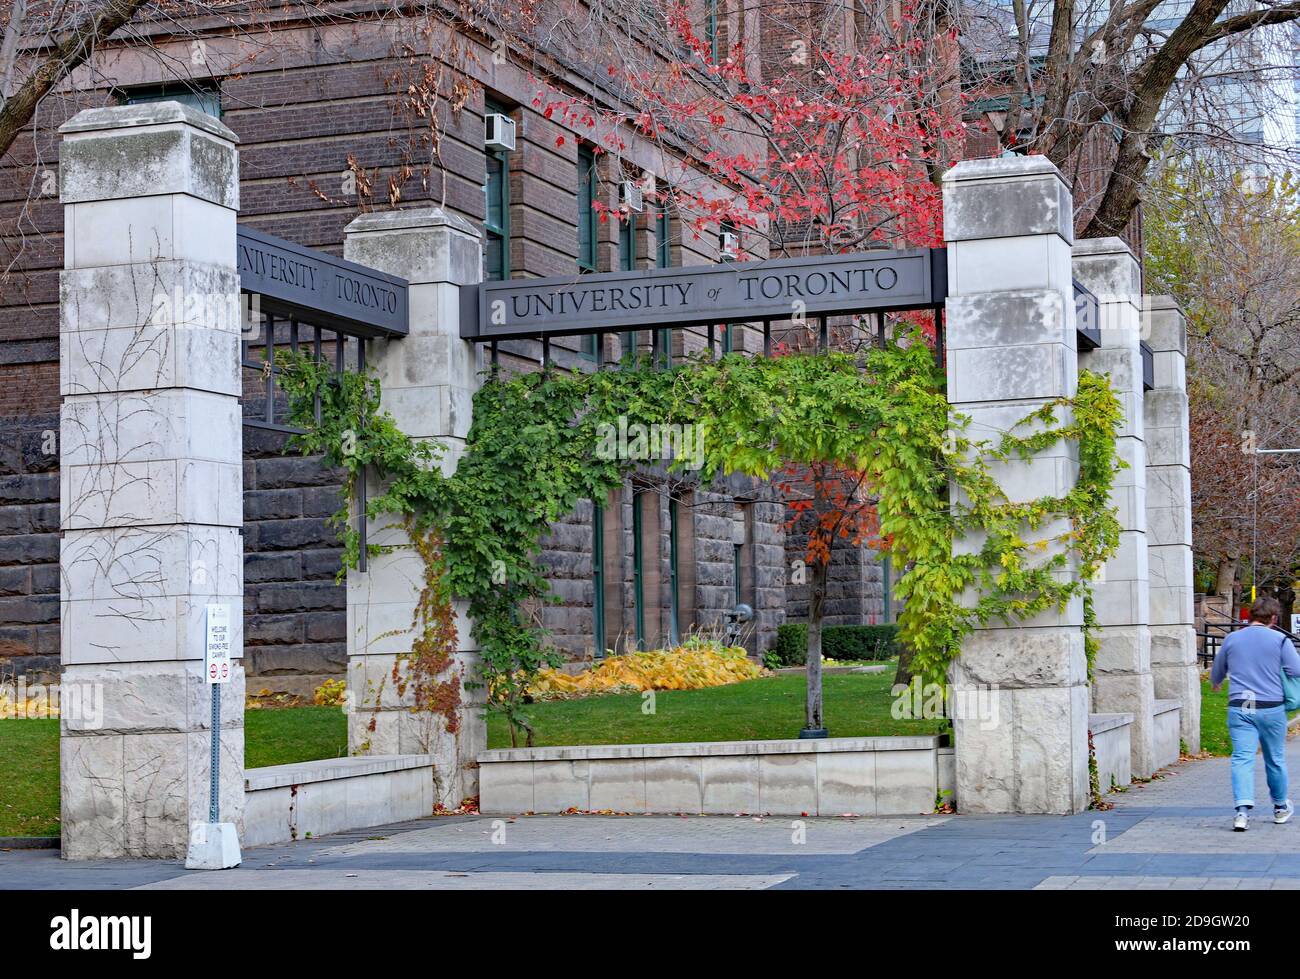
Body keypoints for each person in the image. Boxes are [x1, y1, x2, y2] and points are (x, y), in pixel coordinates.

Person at [1211, 597, 1300, 831]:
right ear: (1273, 618)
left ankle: (1241, 812)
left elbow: (1218, 670)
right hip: (1271, 707)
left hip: (1240, 707)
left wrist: (1217, 682)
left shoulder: (1232, 638)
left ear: (1251, 616)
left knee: (1242, 758)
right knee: (1275, 759)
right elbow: (1296, 669)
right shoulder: (1280, 640)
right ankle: (1280, 807)